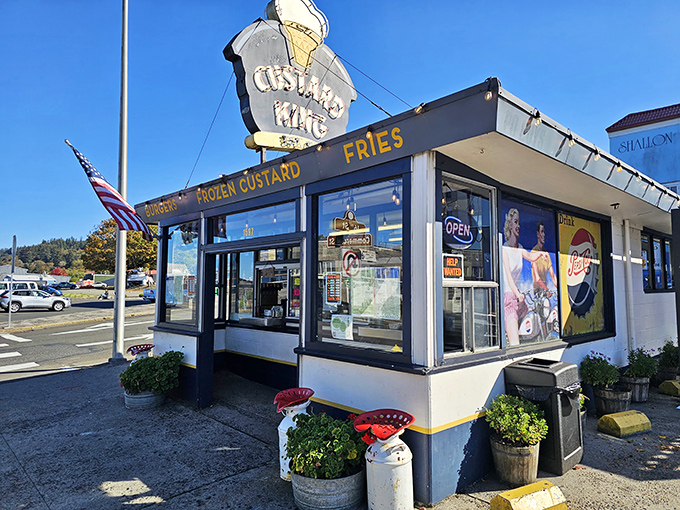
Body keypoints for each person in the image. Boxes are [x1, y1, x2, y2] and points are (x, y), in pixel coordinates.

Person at [502, 208, 546, 346]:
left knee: (533, 325)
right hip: (509, 299)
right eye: (515, 222)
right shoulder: (504, 249)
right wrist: (517, 293)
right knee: (515, 344)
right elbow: (508, 277)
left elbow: (530, 257)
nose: (519, 226)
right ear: (510, 225)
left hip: (519, 300)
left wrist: (541, 254)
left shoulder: (520, 247)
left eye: (519, 222)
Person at [531, 220, 557, 296]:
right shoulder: (534, 252)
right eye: (542, 232)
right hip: (537, 294)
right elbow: (537, 278)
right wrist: (546, 289)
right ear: (537, 234)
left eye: (544, 232)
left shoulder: (546, 254)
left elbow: (553, 276)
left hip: (545, 293)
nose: (544, 235)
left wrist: (561, 289)